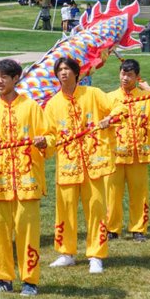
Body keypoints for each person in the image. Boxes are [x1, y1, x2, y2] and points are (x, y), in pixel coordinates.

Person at [0, 58, 49, 295]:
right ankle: (2, 279)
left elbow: (50, 137)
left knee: (27, 233)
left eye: (4, 77)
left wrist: (44, 142)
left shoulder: (31, 107)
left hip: (27, 182)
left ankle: (30, 281)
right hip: (0, 183)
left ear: (16, 78)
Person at [44, 58, 115, 274]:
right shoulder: (53, 104)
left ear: (76, 73)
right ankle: (66, 253)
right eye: (60, 70)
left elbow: (117, 106)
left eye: (67, 69)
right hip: (68, 166)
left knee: (96, 208)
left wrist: (110, 118)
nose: (63, 73)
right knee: (65, 210)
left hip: (93, 163)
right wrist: (44, 142)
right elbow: (50, 134)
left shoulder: (93, 94)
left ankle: (96, 255)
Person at [104, 59, 150, 241]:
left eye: (129, 75)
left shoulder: (147, 97)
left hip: (138, 155)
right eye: (123, 74)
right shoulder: (109, 98)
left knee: (139, 193)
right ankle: (112, 228)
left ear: (137, 76)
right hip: (115, 154)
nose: (125, 78)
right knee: (112, 194)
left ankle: (138, 228)